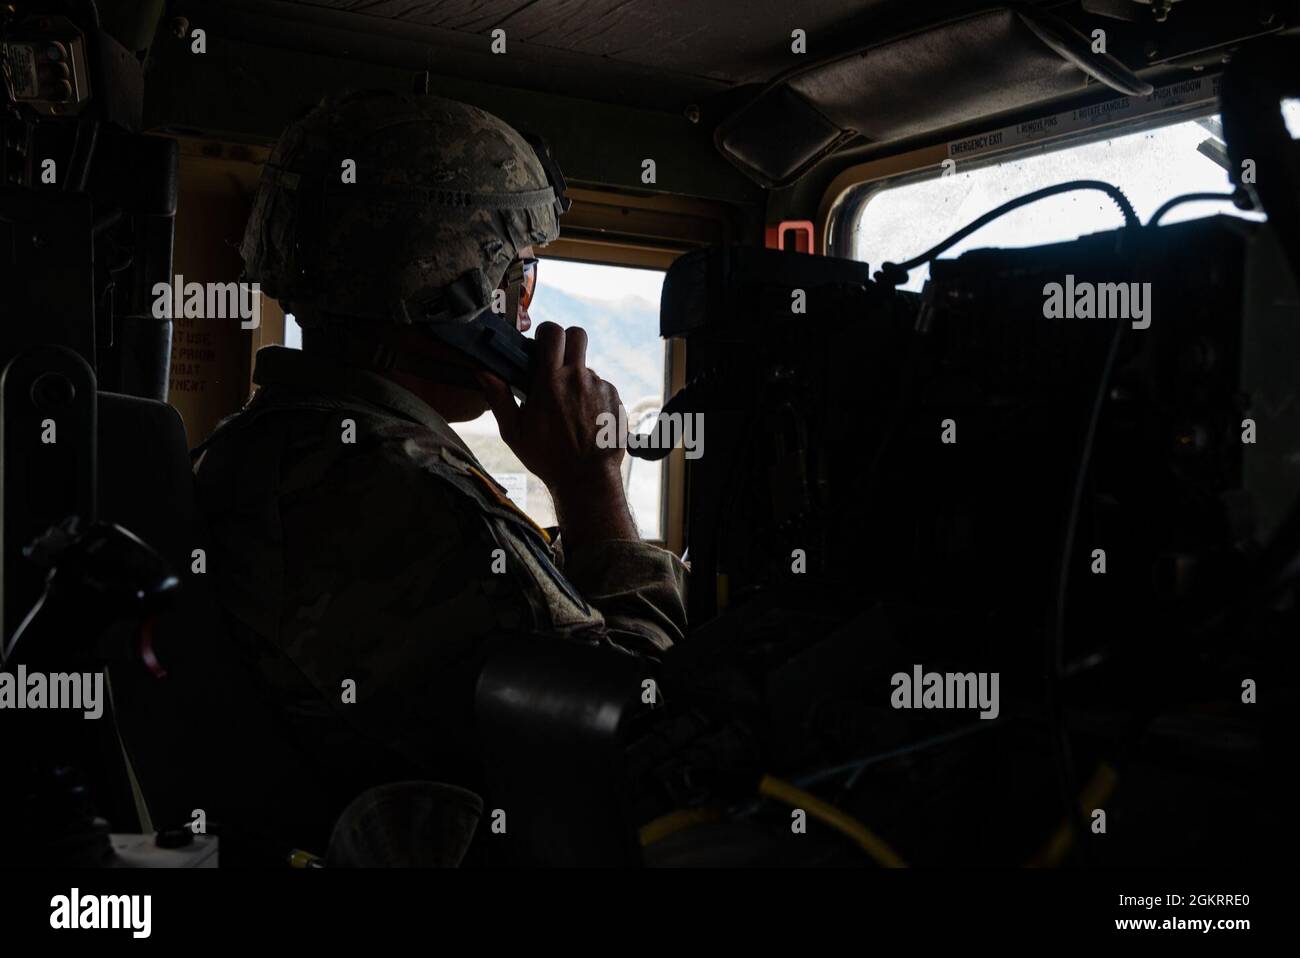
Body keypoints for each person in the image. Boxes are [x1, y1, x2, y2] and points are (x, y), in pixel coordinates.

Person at [192, 90, 687, 849]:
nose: (526, 308)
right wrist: (593, 490)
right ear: (465, 295)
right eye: (521, 274)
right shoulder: (381, 485)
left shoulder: (279, 448)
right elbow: (643, 738)